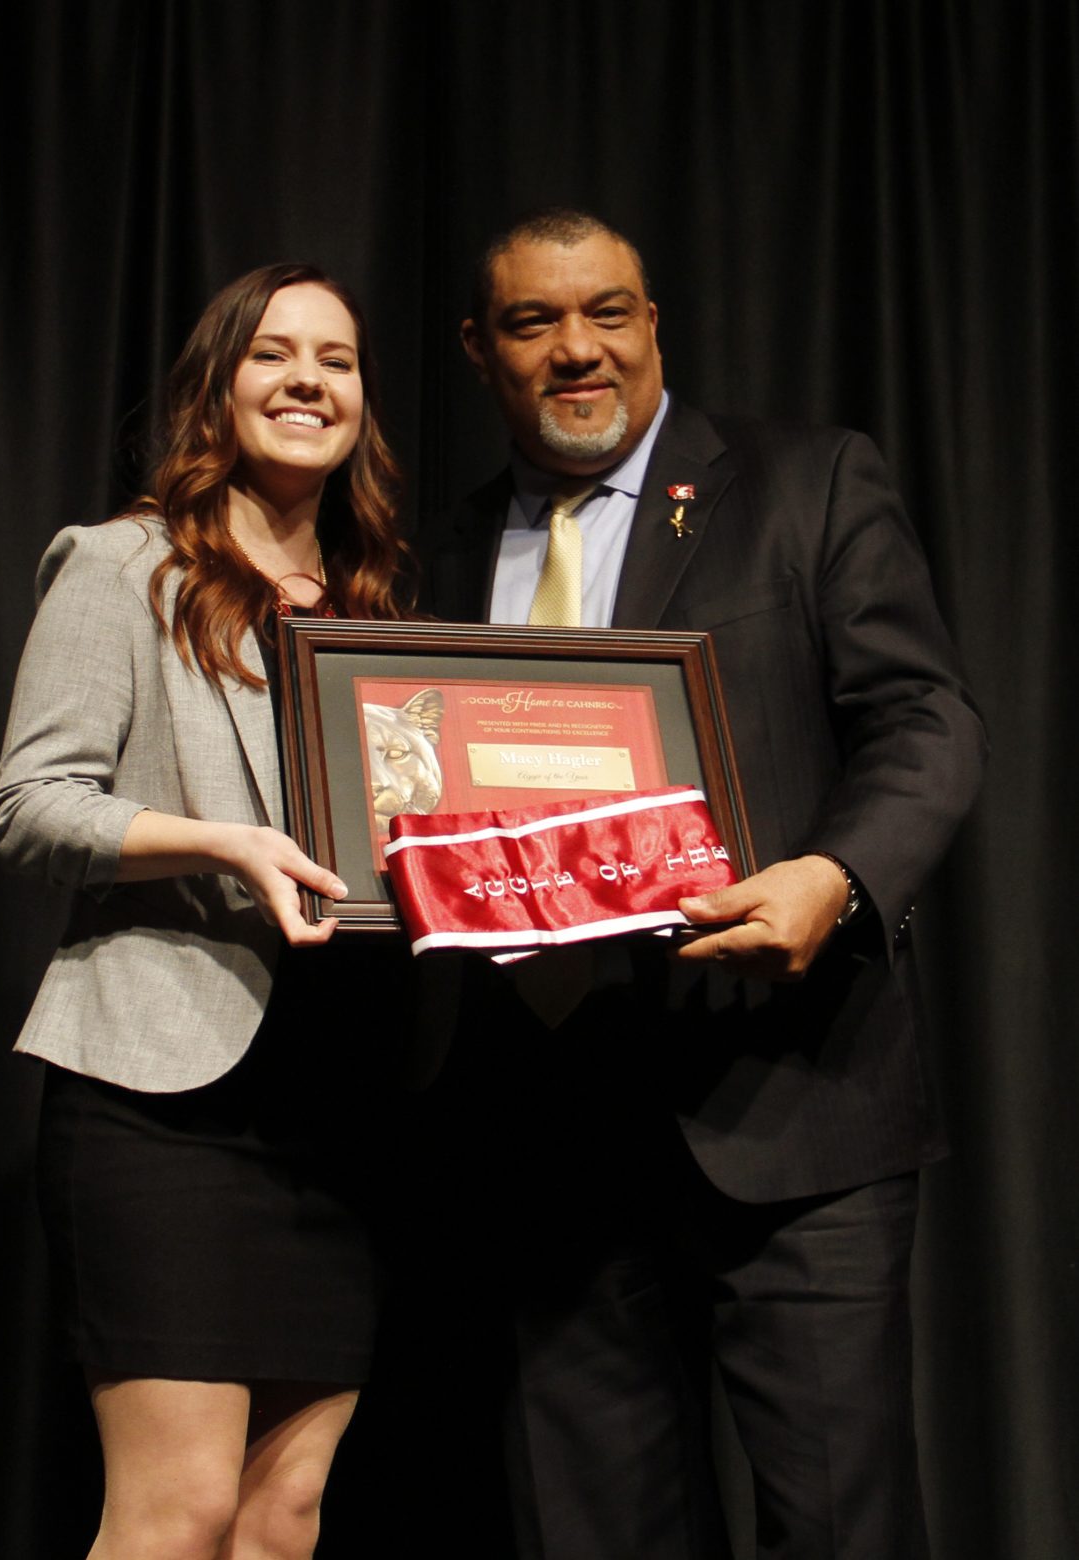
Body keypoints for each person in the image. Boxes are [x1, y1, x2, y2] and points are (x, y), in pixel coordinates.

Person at [419, 209, 987, 1559]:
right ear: (478, 350)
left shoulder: (806, 483)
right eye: (533, 321)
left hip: (789, 1102)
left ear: (655, 324)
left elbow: (926, 718)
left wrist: (835, 877)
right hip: (547, 1120)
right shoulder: (438, 554)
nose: (577, 350)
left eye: (608, 312)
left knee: (840, 1525)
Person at [0, 262, 413, 1560]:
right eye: (272, 354)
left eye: (335, 360)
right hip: (162, 1098)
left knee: (281, 1520)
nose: (306, 381)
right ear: (214, 393)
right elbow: (30, 808)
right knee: (176, 1513)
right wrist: (217, 838)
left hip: (340, 1106)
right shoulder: (125, 569)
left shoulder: (383, 613)